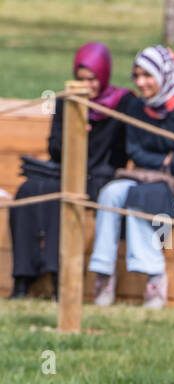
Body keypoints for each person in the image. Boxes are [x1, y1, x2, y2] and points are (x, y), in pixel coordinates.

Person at [88, 45, 174, 309]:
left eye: (148, 76)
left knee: (140, 197)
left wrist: (172, 163)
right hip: (147, 177)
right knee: (111, 192)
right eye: (137, 76)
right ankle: (103, 273)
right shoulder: (137, 108)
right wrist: (167, 160)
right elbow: (135, 151)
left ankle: (154, 279)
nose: (141, 83)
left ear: (164, 75)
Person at [8, 42, 135, 299]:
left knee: (60, 196)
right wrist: (74, 133)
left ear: (104, 74)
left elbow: (124, 151)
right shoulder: (66, 100)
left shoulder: (123, 103)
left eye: (93, 79)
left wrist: (90, 136)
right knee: (27, 191)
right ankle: (22, 279)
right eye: (81, 79)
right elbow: (54, 147)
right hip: (64, 172)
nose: (87, 85)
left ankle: (58, 279)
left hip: (100, 177)